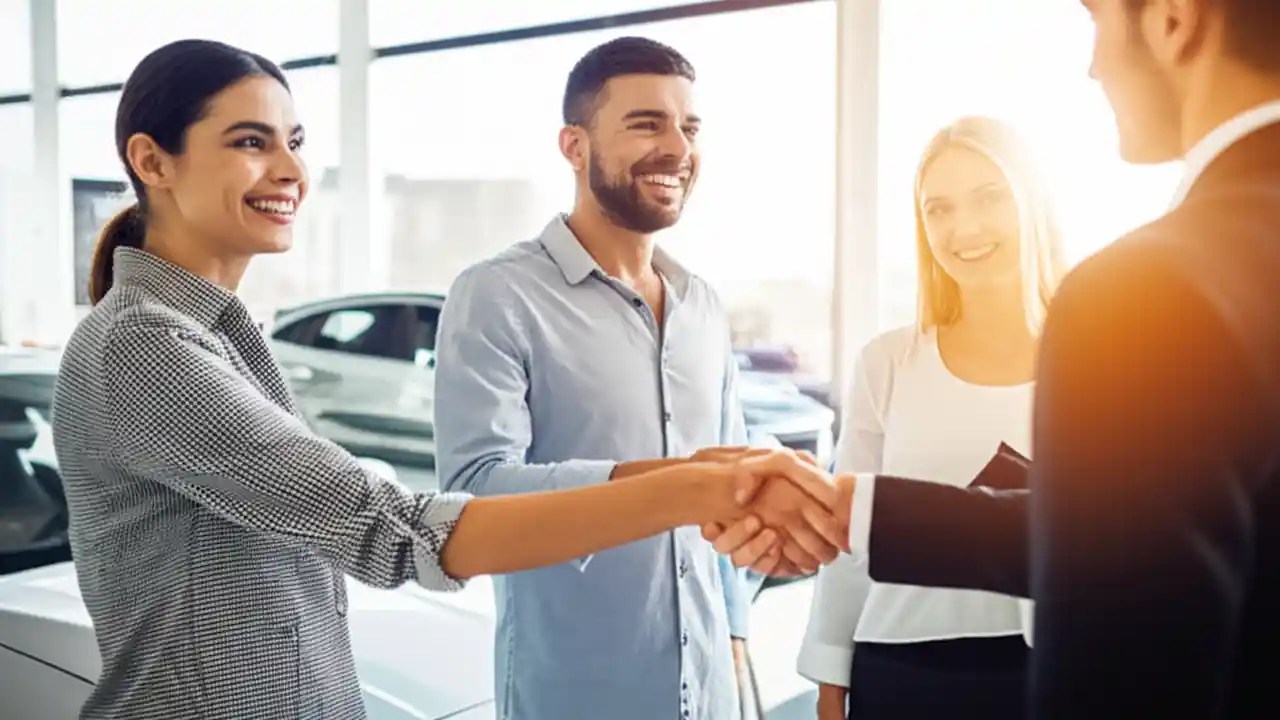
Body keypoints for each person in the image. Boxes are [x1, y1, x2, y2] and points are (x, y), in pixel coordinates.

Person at [49, 39, 847, 720]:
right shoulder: (143, 349)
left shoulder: (219, 336)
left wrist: (711, 477)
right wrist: (702, 491)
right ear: (152, 161)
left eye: (295, 140)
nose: (292, 168)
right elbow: (396, 530)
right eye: (252, 141)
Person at [712, 0, 1280, 717]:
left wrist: (842, 508)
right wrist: (852, 509)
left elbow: (1122, 578)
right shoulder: (896, 358)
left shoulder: (1147, 290)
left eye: (1097, 19)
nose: (1094, 63)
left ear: (1173, 18)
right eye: (938, 208)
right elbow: (1122, 531)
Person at [433, 36, 843, 720]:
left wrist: (735, 632)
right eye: (646, 123)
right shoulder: (497, 294)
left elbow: (728, 492)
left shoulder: (702, 305)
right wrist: (670, 487)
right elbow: (475, 494)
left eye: (689, 127)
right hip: (577, 692)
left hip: (710, 687)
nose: (678, 149)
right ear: (574, 145)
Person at [793, 116, 1064, 720]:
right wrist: (830, 678)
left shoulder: (1102, 355)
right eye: (938, 209)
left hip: (1050, 669)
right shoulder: (889, 361)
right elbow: (848, 536)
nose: (963, 227)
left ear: (1031, 200)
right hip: (901, 669)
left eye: (989, 197)